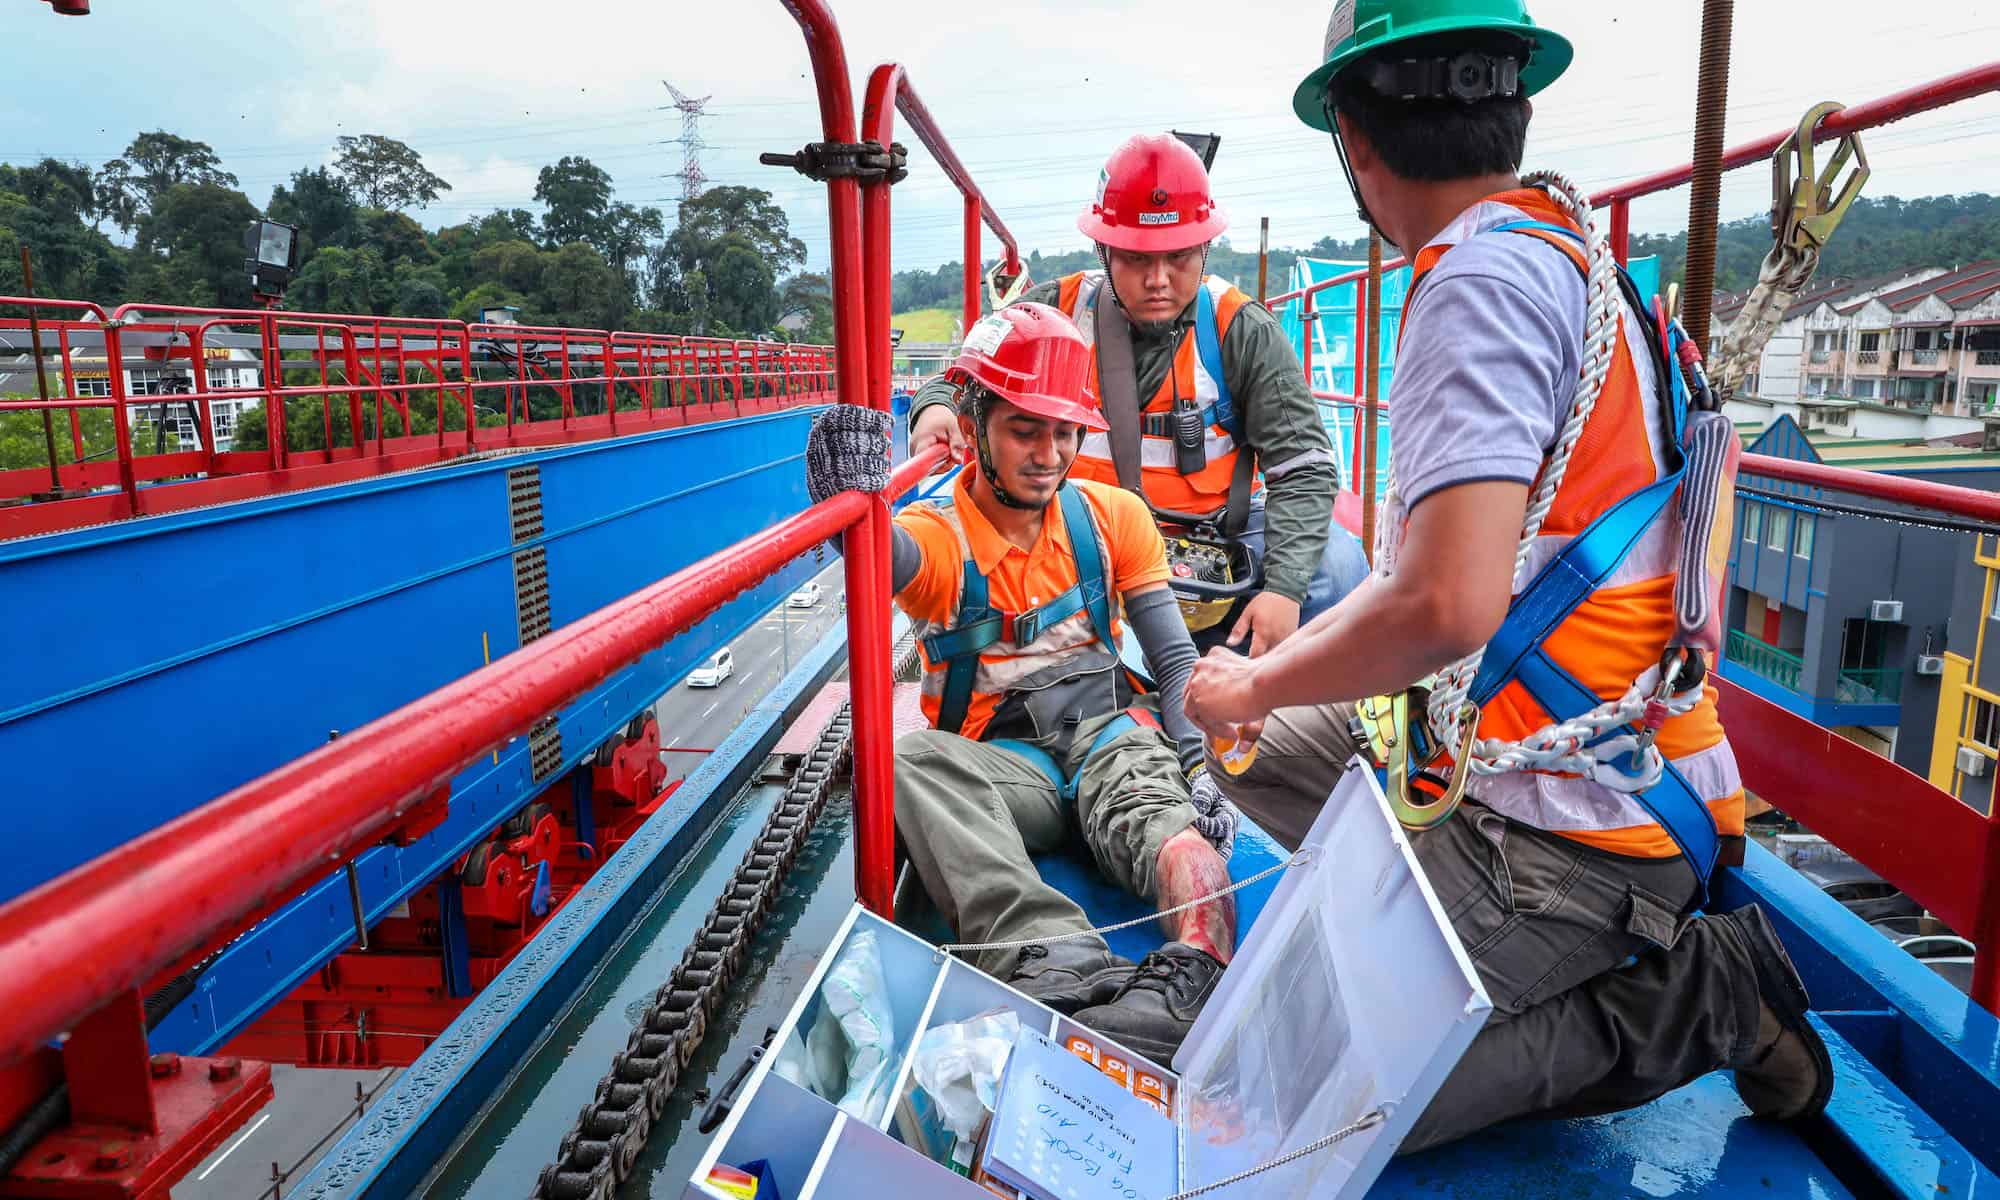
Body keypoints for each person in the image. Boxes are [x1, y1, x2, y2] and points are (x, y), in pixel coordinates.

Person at [1181, 0, 1831, 1153]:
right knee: (1241, 755)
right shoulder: (1565, 254)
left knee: (1300, 1109)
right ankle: (1415, 902)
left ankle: (1701, 992)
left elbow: (1443, 604)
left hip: (1581, 825)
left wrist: (1259, 680)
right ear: (1514, 105)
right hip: (1527, 743)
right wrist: (1262, 700)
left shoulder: (1473, 282)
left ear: (1353, 137)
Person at [807, 302, 1242, 1062]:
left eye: (1064, 432)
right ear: (974, 428)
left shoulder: (1112, 517)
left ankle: (1198, 973)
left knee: (1171, 830)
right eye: (1024, 429)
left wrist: (1199, 769)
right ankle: (1053, 955)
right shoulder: (944, 540)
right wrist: (858, 511)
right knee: (907, 762)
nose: (1049, 454)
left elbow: (1172, 659)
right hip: (1014, 773)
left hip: (1113, 736)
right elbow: (892, 557)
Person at [907, 134, 1368, 658]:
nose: (1158, 280)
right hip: (1085, 542)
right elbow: (968, 376)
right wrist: (938, 405)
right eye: (1135, 259)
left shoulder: (1239, 328)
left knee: (1339, 567)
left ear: (1204, 250)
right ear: (1104, 251)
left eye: (1178, 258)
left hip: (1217, 541)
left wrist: (1284, 590)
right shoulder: (1058, 314)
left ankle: (1272, 708)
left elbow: (1304, 468)